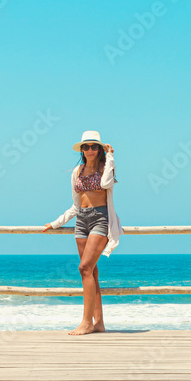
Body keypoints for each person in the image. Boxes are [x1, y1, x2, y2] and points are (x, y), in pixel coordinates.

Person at [43, 130, 123, 334]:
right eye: (86, 147)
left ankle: (87, 323)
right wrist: (56, 223)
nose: (90, 150)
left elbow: (105, 184)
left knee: (84, 268)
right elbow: (75, 204)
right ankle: (99, 323)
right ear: (82, 150)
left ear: (100, 149)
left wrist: (111, 156)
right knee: (91, 272)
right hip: (81, 221)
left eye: (94, 146)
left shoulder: (106, 167)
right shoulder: (77, 171)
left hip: (100, 219)